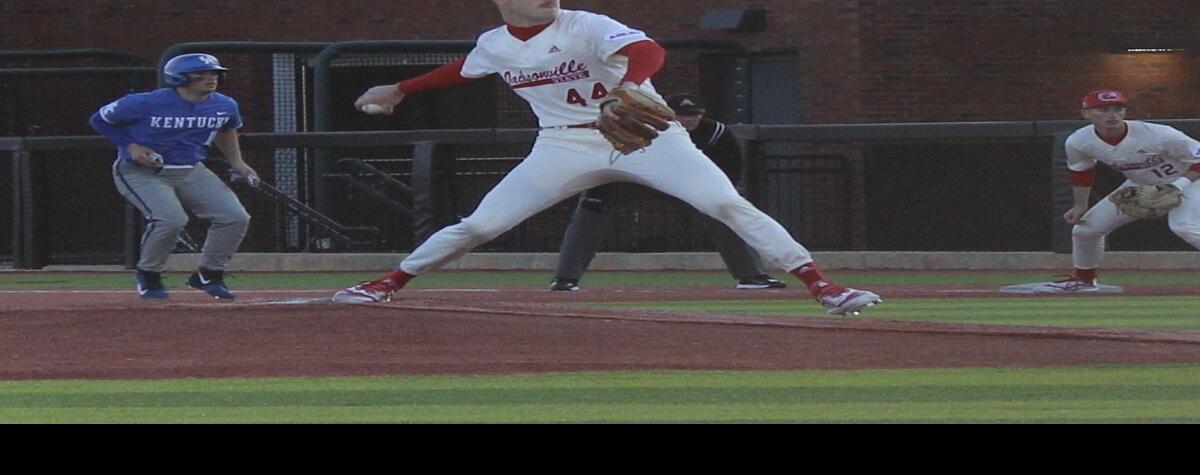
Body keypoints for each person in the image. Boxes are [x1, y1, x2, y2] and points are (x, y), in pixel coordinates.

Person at [333, 0, 880, 315]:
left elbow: (648, 51)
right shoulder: (496, 42)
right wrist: (401, 88)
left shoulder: (583, 24)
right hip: (562, 144)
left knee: (724, 202)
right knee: (481, 223)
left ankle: (821, 285)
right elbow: (465, 69)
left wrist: (631, 84)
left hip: (647, 135)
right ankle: (386, 283)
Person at [548, 93, 786, 292]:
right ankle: (565, 278)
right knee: (591, 209)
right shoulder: (635, 127)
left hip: (686, 182)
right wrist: (597, 193)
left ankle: (752, 276)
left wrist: (721, 195)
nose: (692, 119)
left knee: (725, 210)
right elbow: (605, 160)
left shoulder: (714, 131)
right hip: (631, 180)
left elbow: (731, 165)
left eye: (696, 114)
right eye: (684, 115)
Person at [89, 53, 257, 300]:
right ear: (180, 77)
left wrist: (238, 163)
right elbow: (100, 120)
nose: (210, 78)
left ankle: (208, 274)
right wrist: (132, 146)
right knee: (170, 219)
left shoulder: (224, 104)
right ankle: (149, 274)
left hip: (190, 169)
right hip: (142, 172)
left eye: (214, 73)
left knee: (235, 217)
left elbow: (226, 128)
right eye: (201, 74)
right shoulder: (143, 102)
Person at [1037, 89, 1200, 292]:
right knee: (1086, 229)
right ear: (1086, 114)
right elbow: (1082, 171)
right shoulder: (1079, 141)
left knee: (1185, 226)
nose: (1112, 115)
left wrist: (1178, 186)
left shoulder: (1158, 134)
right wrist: (1080, 205)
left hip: (1189, 182)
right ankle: (1085, 279)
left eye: (1118, 109)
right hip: (1141, 185)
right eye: (1103, 110)